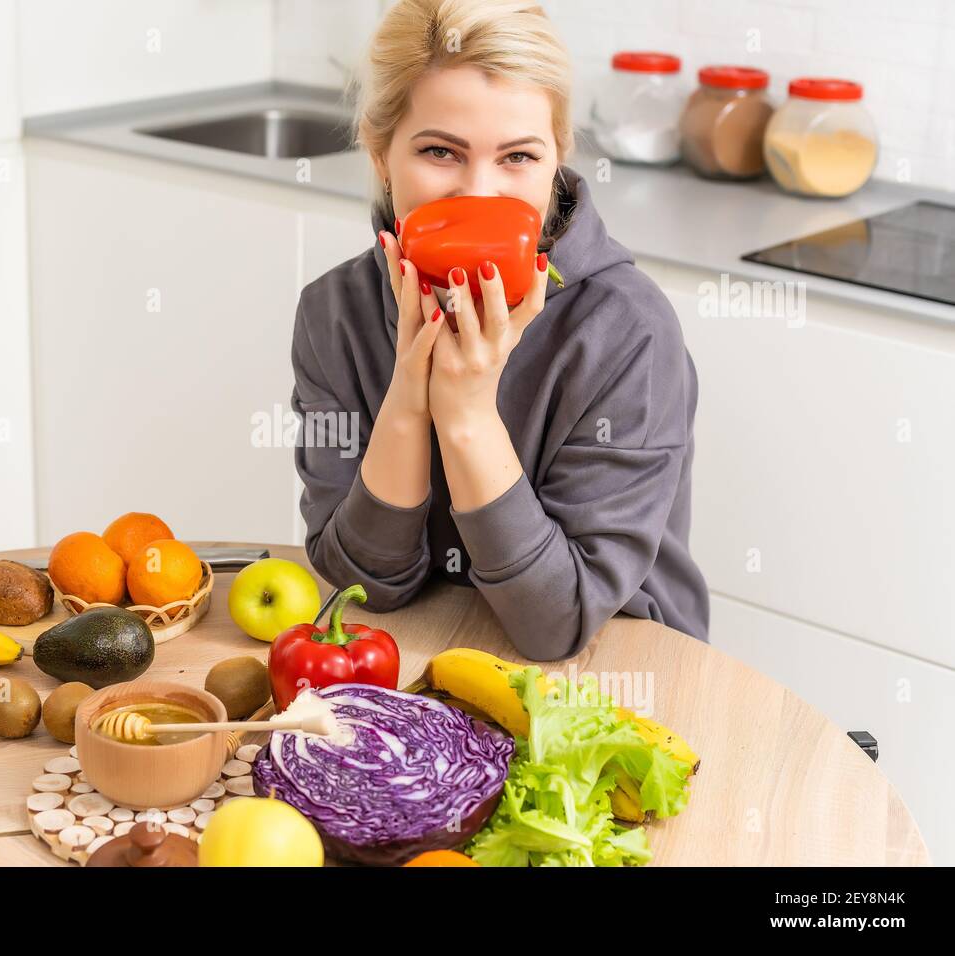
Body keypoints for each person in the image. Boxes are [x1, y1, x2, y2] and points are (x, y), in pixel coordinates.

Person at [290, 0, 709, 661]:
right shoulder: (332, 315)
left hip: (623, 671)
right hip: (422, 663)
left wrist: (465, 415)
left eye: (517, 157)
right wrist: (408, 400)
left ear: (557, 161)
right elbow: (361, 596)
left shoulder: (630, 333)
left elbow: (557, 625)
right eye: (439, 152)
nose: (478, 194)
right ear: (380, 155)